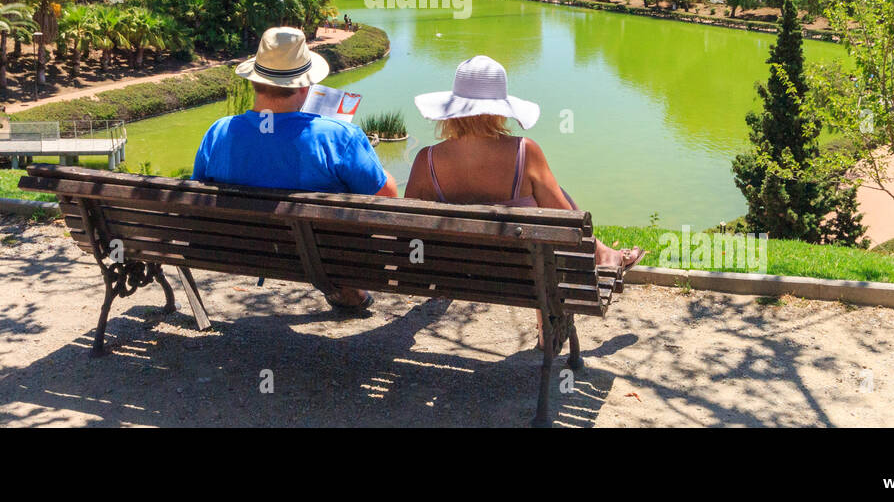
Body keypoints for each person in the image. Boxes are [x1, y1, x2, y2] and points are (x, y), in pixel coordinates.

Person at [192, 25, 398, 312]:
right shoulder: (338, 136)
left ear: (254, 82)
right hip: (328, 256)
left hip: (240, 251)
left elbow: (197, 198)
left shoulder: (218, 133)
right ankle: (344, 288)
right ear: (305, 86)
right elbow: (388, 199)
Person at [405, 55, 645, 274]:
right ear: (499, 110)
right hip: (521, 272)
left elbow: (406, 225)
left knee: (552, 192)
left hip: (449, 270)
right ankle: (603, 255)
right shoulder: (525, 152)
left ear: (453, 107)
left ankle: (604, 253)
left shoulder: (426, 160)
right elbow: (567, 223)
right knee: (555, 195)